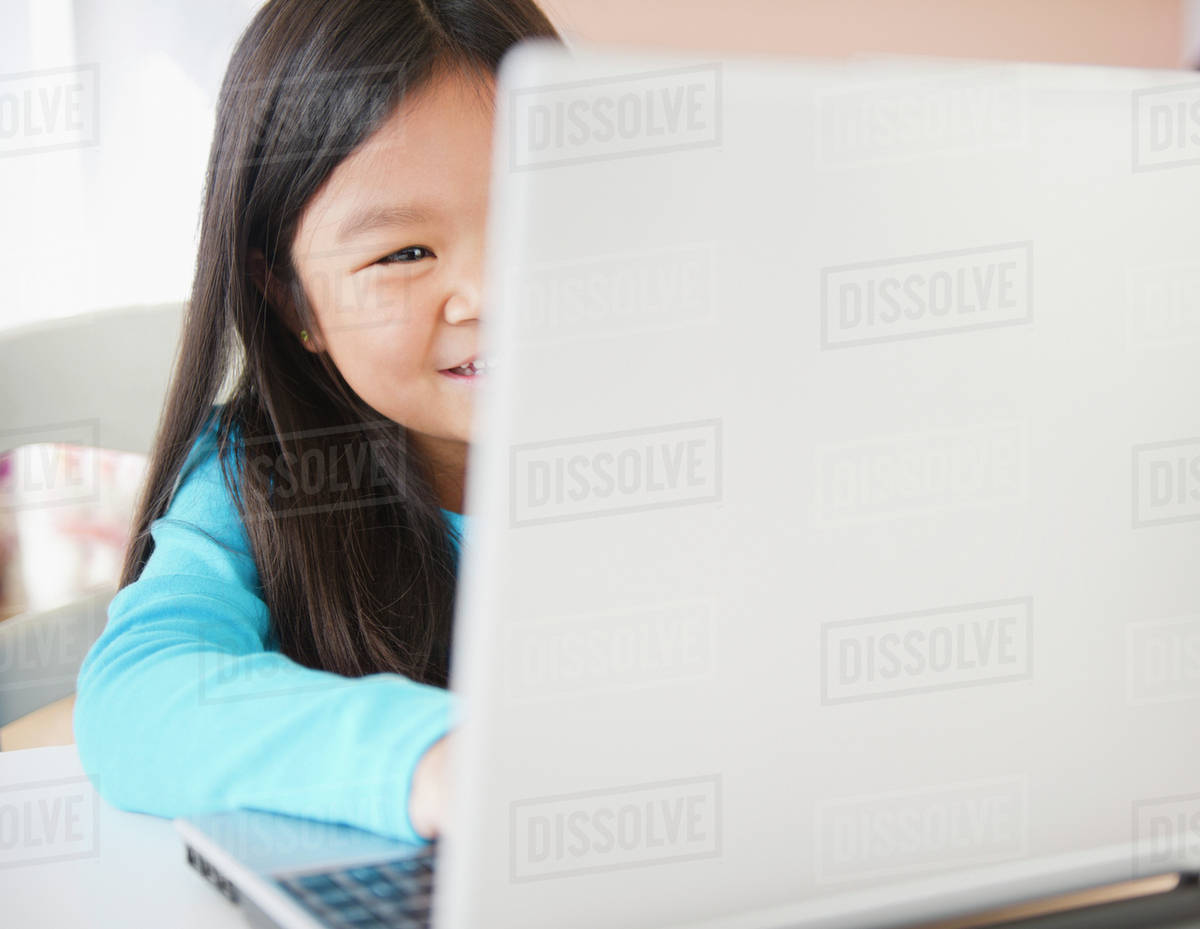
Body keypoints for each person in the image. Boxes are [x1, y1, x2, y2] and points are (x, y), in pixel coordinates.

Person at [73, 0, 562, 844]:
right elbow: (138, 698)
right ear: (292, 296)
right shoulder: (251, 474)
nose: (494, 295)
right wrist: (434, 757)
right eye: (403, 253)